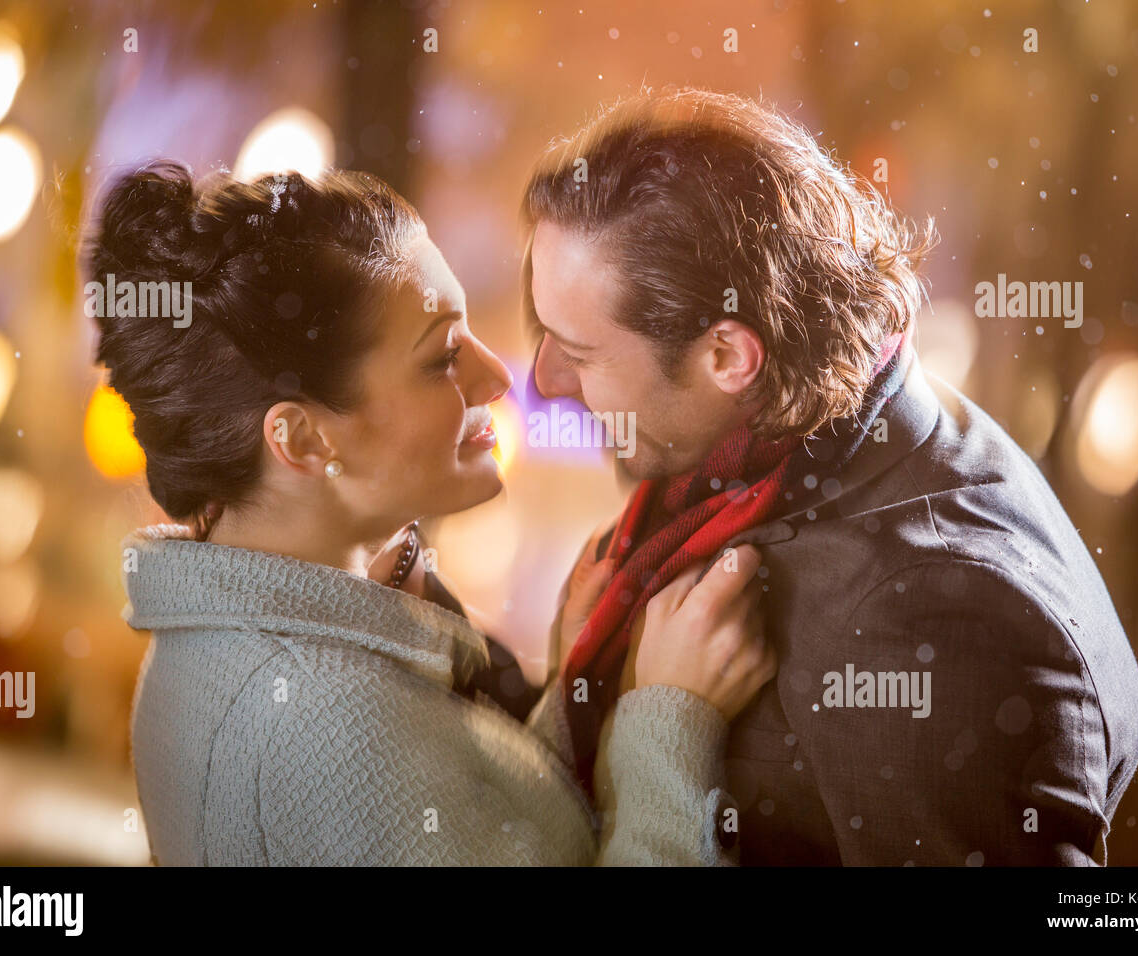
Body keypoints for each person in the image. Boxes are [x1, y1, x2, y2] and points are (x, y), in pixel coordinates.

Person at [524, 88, 1138, 865]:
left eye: (576, 351)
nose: (544, 380)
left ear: (727, 357)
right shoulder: (761, 460)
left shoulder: (928, 612)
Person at [86, 160, 775, 865]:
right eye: (443, 356)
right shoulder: (328, 727)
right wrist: (672, 723)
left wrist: (569, 696)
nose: (500, 376)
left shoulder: (231, 651)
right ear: (302, 438)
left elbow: (468, 829)